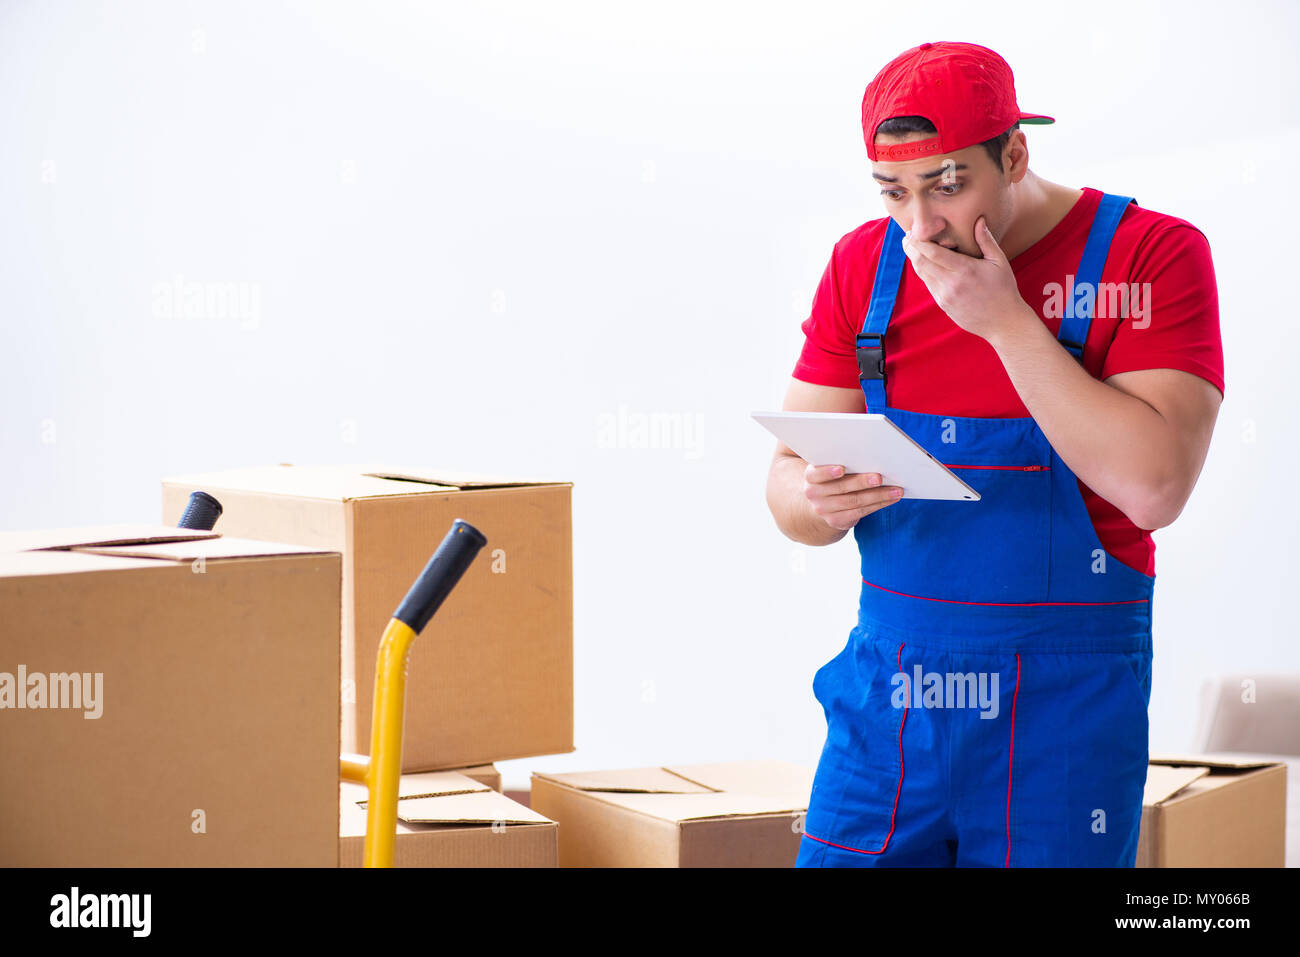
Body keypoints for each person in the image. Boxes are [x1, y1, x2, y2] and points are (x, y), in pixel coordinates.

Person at [765, 41, 1224, 867]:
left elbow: (1154, 488)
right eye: (893, 192)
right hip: (887, 704)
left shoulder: (1148, 254)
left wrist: (1007, 323)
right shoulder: (861, 267)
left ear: (1014, 153)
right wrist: (813, 499)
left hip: (1065, 712)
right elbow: (785, 486)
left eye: (947, 185)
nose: (921, 224)